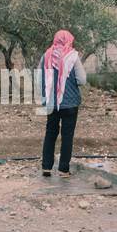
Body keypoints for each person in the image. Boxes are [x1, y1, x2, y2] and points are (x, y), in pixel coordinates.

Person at [37, 29, 86, 177]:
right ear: (69, 40)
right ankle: (63, 169)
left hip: (51, 103)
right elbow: (82, 80)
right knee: (67, 135)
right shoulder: (73, 57)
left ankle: (46, 167)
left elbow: (39, 79)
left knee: (50, 133)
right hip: (70, 103)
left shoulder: (46, 55)